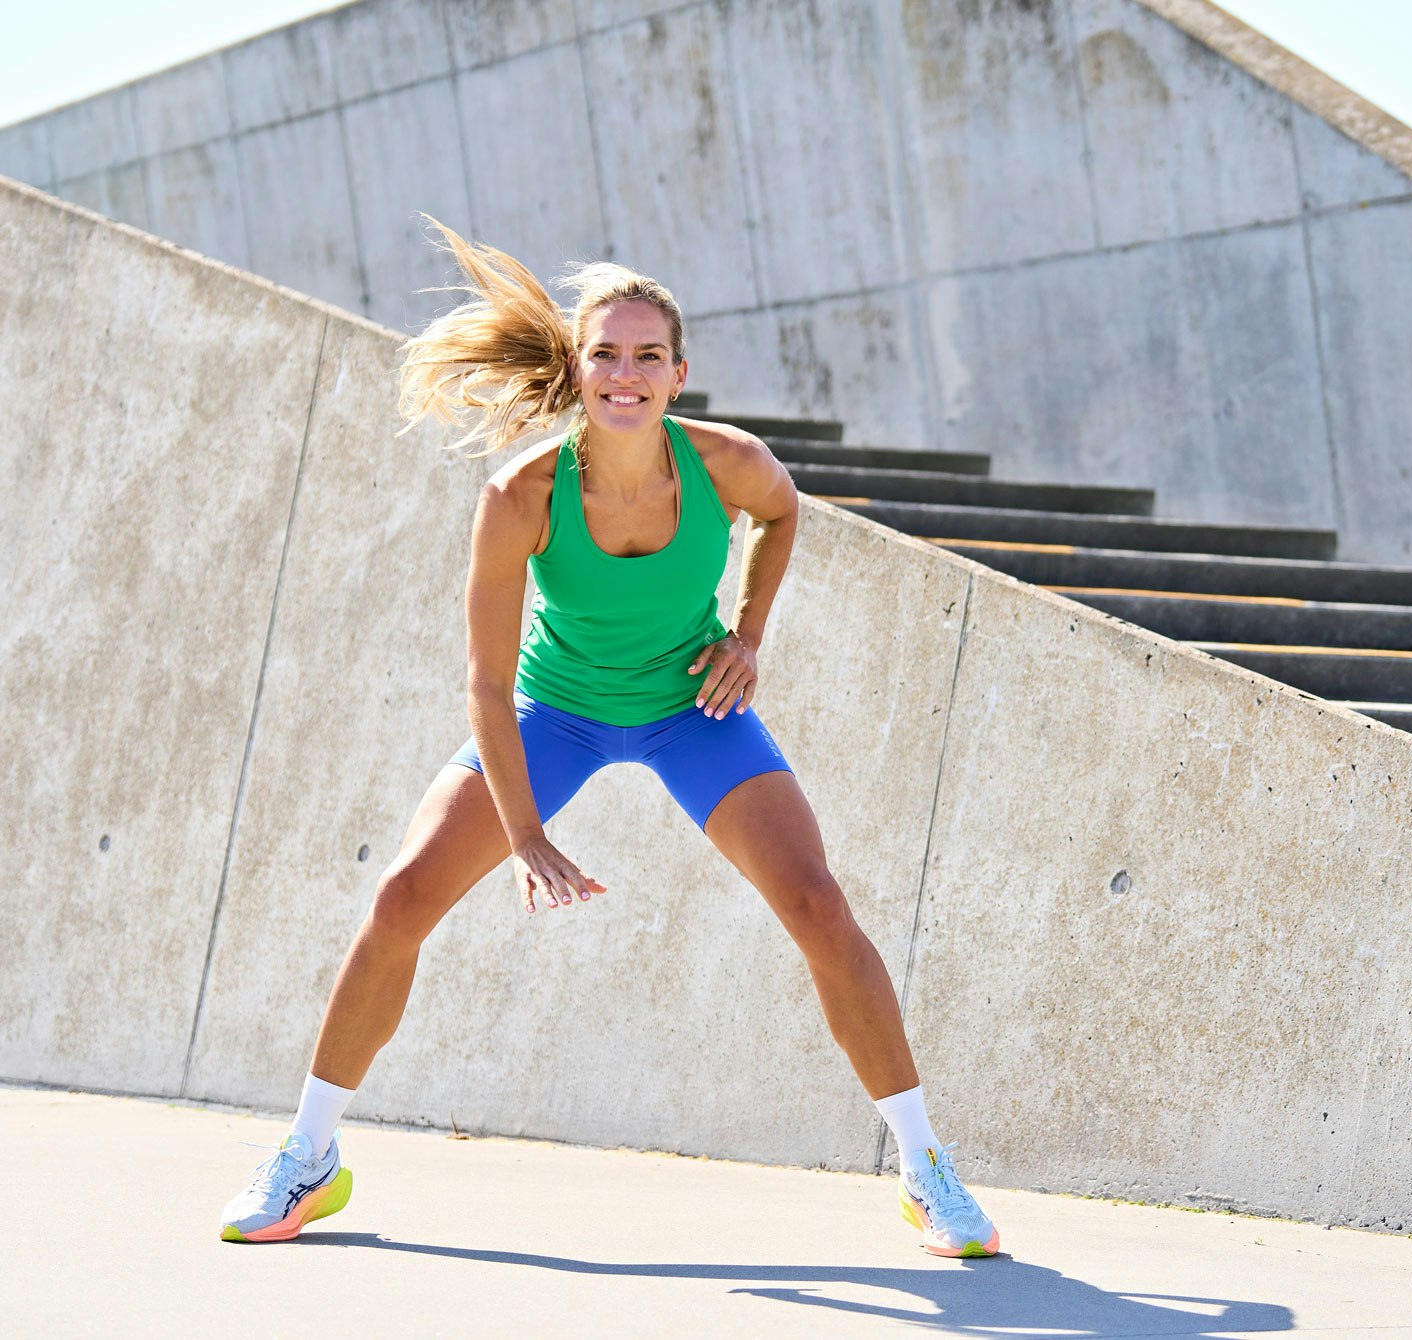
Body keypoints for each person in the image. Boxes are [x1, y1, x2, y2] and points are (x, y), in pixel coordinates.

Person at [217, 221, 999, 1259]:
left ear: (679, 373)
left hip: (691, 709)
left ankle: (924, 1166)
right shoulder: (521, 496)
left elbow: (782, 515)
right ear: (578, 368)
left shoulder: (728, 463)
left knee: (817, 903)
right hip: (555, 713)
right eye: (605, 354)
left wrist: (749, 633)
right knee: (401, 897)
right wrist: (524, 833)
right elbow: (486, 682)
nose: (625, 374)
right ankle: (308, 1154)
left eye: (646, 356)